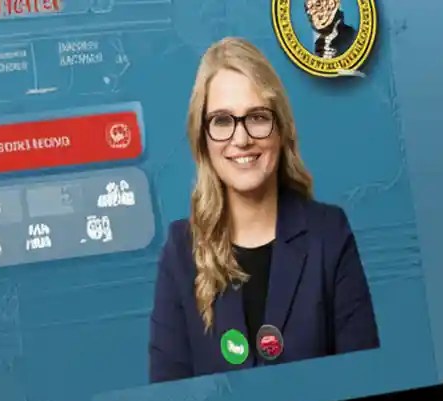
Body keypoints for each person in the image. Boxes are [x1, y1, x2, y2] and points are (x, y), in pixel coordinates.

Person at [149, 38, 380, 383]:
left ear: (281, 129)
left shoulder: (328, 235)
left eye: (257, 117)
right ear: (203, 137)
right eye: (222, 121)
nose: (241, 139)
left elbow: (365, 382)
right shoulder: (181, 250)